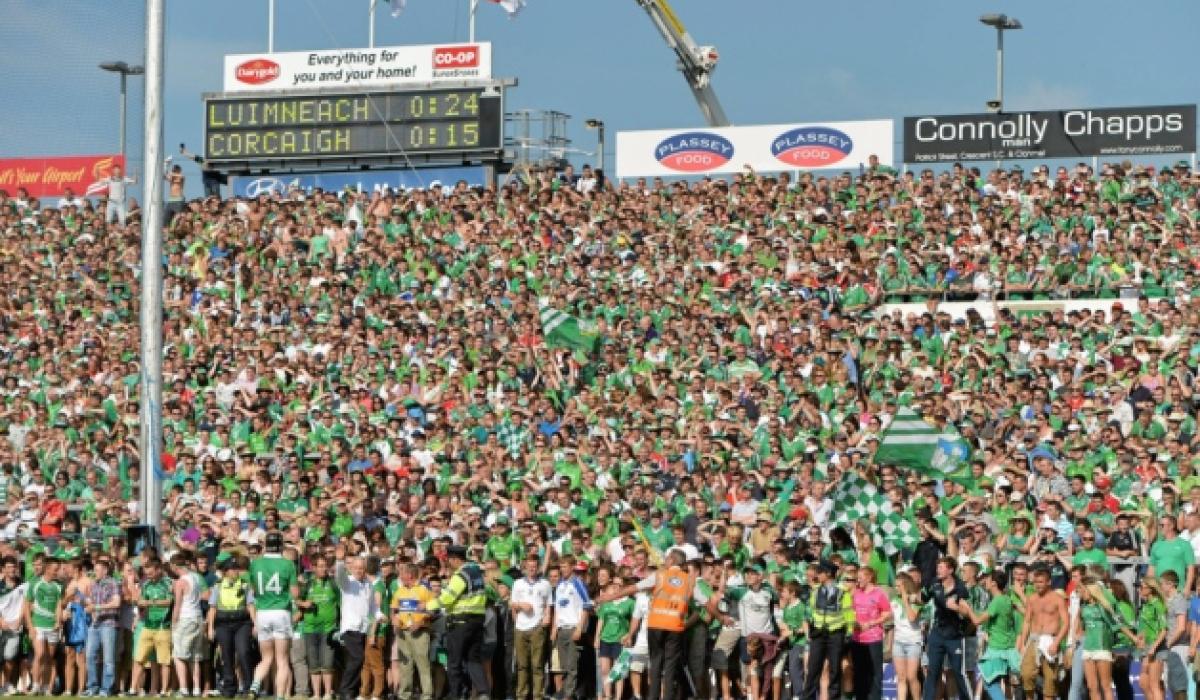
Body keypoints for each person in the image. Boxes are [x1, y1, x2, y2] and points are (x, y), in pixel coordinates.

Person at [427, 545, 489, 700]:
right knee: (473, 659)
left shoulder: (461, 575)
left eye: (449, 560)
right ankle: (483, 692)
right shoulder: (476, 573)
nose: (448, 563)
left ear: (455, 559)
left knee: (454, 662)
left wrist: (427, 606)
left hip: (460, 623)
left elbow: (447, 598)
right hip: (477, 621)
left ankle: (456, 695)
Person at [248, 532, 299, 700]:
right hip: (281, 612)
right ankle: (280, 696)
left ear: (265, 546)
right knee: (282, 660)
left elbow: (253, 589)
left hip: (262, 613)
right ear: (281, 546)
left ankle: (255, 684)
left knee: (266, 658)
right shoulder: (288, 564)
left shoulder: (255, 563)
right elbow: (295, 593)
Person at [799, 560, 853, 700]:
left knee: (835, 669)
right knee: (813, 669)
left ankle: (833, 697)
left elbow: (848, 613)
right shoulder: (815, 591)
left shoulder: (842, 592)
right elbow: (810, 612)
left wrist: (849, 633)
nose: (817, 574)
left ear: (828, 574)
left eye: (820, 572)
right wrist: (809, 630)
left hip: (836, 634)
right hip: (818, 634)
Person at [921, 557, 972, 700]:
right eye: (937, 567)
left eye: (941, 567)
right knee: (932, 671)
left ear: (950, 570)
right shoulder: (934, 583)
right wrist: (913, 597)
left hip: (954, 636)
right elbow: (922, 598)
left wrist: (956, 607)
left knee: (958, 672)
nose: (938, 570)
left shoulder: (961, 589)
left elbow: (968, 613)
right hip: (937, 634)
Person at [963, 570, 1019, 700]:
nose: (984, 582)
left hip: (997, 648)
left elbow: (977, 621)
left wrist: (968, 608)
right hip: (1008, 647)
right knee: (1003, 682)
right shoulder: (1006, 599)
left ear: (994, 583)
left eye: (987, 579)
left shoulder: (997, 601)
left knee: (990, 683)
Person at [332, 544, 379, 700]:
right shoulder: (348, 583)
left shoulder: (369, 585)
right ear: (351, 569)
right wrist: (339, 561)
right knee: (357, 658)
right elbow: (340, 576)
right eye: (357, 568)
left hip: (363, 628)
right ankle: (345, 690)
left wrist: (379, 614)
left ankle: (348, 691)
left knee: (358, 660)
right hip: (350, 628)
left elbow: (372, 607)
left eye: (362, 568)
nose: (359, 571)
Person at [1017, 567, 1069, 700]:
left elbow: (1066, 623)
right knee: (1026, 674)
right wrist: (1022, 644)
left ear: (1049, 582)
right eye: (1035, 582)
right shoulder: (1032, 599)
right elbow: (1027, 621)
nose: (1037, 585)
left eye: (1040, 582)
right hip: (1034, 639)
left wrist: (1056, 643)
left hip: (1051, 639)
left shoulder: (1058, 599)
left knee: (1050, 679)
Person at [207, 556, 254, 698]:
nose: (236, 571)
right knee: (226, 655)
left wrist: (255, 623)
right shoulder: (218, 586)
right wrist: (210, 628)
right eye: (232, 569)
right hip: (223, 623)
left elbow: (250, 605)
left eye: (237, 569)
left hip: (242, 622)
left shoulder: (245, 585)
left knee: (244, 652)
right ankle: (229, 687)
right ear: (226, 572)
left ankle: (248, 686)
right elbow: (212, 608)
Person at [131, 556, 174, 696]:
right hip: (148, 626)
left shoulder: (168, 583)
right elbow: (141, 601)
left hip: (163, 626)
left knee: (164, 661)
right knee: (139, 658)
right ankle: (133, 689)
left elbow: (169, 601)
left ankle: (163, 691)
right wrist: (138, 603)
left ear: (158, 570)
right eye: (146, 573)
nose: (148, 576)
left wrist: (150, 603)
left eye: (150, 573)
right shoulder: (146, 585)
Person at [510, 556, 551, 700]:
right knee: (522, 665)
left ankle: (538, 695)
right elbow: (512, 604)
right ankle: (521, 695)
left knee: (537, 664)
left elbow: (548, 604)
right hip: (521, 627)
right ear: (525, 568)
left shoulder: (545, 584)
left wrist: (547, 617)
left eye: (534, 566)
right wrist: (521, 606)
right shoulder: (517, 583)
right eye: (529, 566)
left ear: (538, 567)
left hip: (537, 627)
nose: (532, 569)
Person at [391, 562, 434, 700]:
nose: (400, 575)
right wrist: (394, 619)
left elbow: (433, 611)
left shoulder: (424, 590)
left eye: (402, 573)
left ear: (409, 575)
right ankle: (404, 695)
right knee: (405, 665)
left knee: (423, 664)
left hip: (420, 633)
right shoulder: (399, 590)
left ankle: (426, 695)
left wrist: (420, 623)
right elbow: (394, 609)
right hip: (402, 633)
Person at [551, 556, 591, 700]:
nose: (562, 569)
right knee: (563, 666)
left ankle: (568, 695)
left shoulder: (578, 583)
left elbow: (586, 606)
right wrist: (554, 629)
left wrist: (579, 628)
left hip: (573, 628)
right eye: (561, 567)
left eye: (565, 566)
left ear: (572, 567)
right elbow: (557, 608)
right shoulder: (560, 585)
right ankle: (567, 692)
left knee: (572, 665)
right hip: (561, 629)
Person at [24, 554, 63, 696]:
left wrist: (58, 622)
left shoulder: (58, 586)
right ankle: (35, 685)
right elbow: (26, 606)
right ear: (47, 569)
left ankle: (45, 687)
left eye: (58, 569)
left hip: (52, 626)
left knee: (49, 657)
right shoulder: (34, 584)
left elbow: (59, 606)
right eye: (55, 569)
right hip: (38, 624)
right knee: (39, 654)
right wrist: (30, 627)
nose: (57, 572)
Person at [848, 567, 889, 700]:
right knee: (859, 672)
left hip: (873, 639)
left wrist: (872, 623)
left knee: (874, 672)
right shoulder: (856, 593)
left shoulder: (879, 593)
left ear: (869, 577)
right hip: (857, 639)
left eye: (860, 577)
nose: (858, 580)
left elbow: (887, 613)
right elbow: (850, 611)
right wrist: (853, 621)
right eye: (857, 577)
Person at [85, 556, 123, 697]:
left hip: (109, 624)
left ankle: (106, 689)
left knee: (108, 659)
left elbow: (116, 603)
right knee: (90, 656)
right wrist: (88, 607)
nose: (95, 572)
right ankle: (92, 687)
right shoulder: (94, 584)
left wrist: (96, 607)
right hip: (95, 624)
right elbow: (92, 603)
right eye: (94, 569)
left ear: (105, 570)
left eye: (97, 570)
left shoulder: (113, 583)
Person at [172, 550, 207, 697]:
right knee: (195, 657)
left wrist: (174, 622)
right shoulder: (196, 578)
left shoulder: (180, 582)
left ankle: (184, 689)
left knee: (179, 656)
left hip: (185, 618)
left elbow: (177, 605)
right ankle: (197, 688)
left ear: (175, 566)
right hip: (198, 617)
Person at [889, 573, 922, 700]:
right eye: (895, 586)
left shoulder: (916, 599)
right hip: (898, 642)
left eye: (899, 586)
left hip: (913, 642)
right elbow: (890, 619)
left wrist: (905, 600)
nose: (896, 588)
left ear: (905, 586)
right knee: (901, 677)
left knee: (911, 677)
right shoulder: (894, 600)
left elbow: (912, 617)